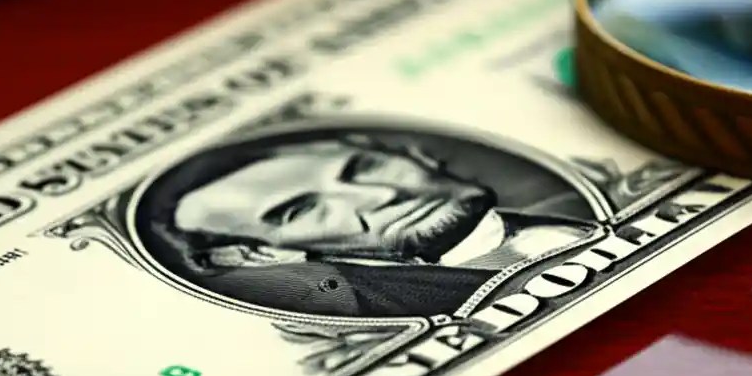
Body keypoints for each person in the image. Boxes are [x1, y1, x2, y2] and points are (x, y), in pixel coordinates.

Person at [143, 132, 608, 318]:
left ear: (415, 154)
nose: (381, 196)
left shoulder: (570, 206)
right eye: (300, 211)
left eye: (366, 168)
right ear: (267, 254)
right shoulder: (396, 313)